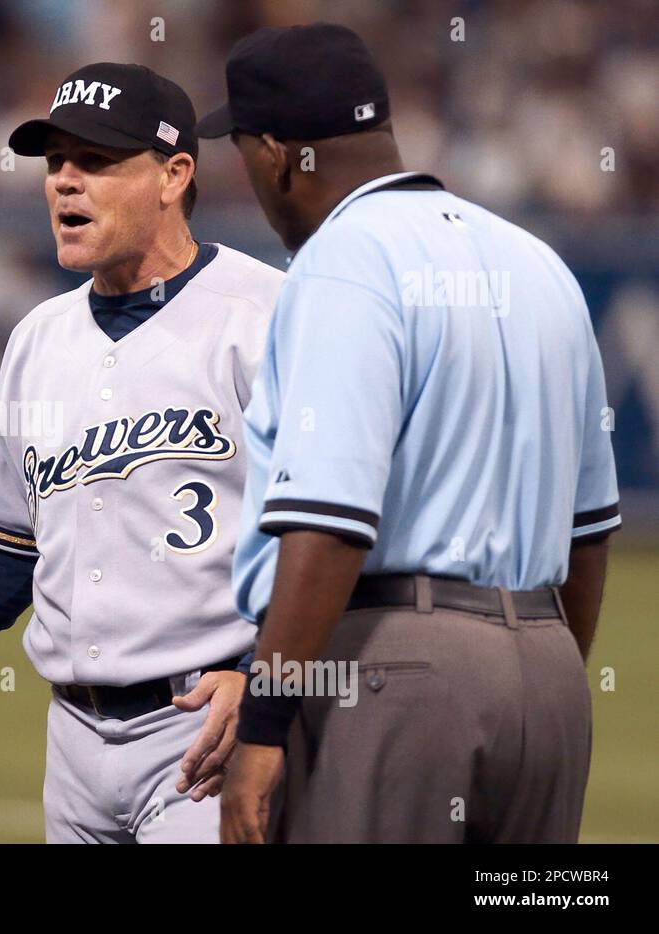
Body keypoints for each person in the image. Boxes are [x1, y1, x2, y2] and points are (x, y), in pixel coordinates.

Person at [0, 63, 283, 843]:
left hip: (207, 727)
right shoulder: (39, 337)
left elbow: (330, 530)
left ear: (174, 175)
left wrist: (268, 675)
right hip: (71, 742)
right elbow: (9, 543)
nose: (65, 183)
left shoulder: (263, 316)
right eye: (55, 162)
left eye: (96, 162)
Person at [195, 23, 620, 843]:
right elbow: (590, 531)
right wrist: (533, 665)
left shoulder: (343, 262)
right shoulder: (539, 262)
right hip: (550, 669)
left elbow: (329, 520)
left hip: (395, 674)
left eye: (243, 150)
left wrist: (264, 724)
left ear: (279, 154)